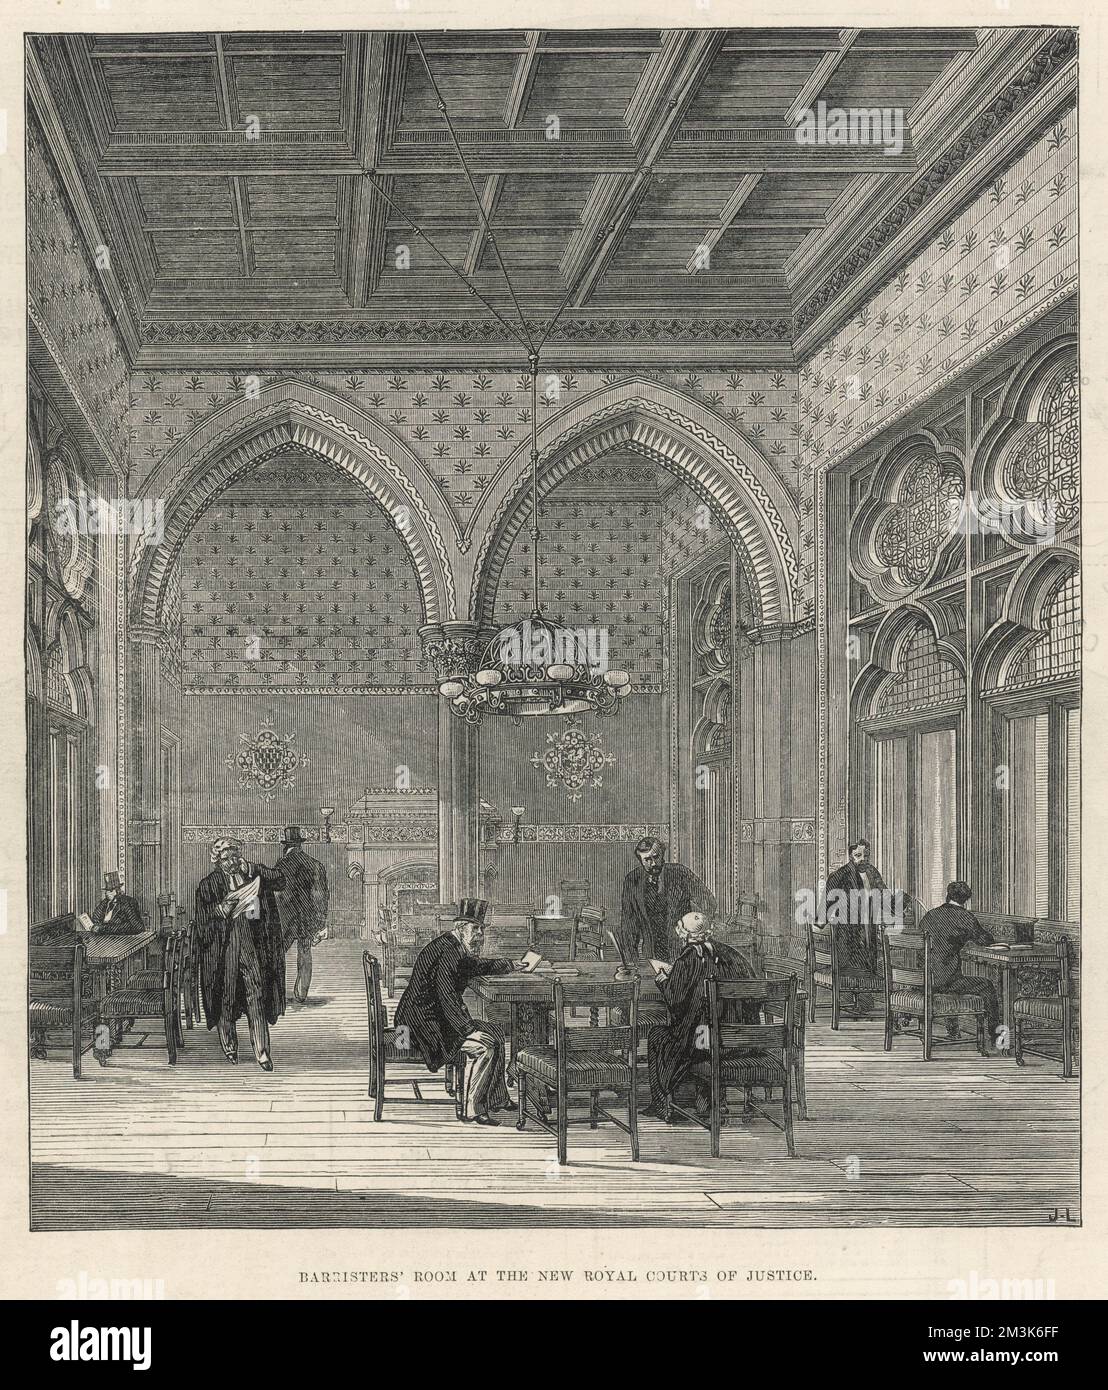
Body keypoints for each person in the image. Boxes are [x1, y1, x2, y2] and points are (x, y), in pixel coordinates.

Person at [394, 899, 518, 1125]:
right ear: (461, 928)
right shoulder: (449, 952)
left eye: (482, 929)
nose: (480, 934)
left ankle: (497, 1098)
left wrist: (510, 965)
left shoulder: (454, 946)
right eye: (475, 929)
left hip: (430, 1018)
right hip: (417, 1028)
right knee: (485, 1046)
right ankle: (474, 1108)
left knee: (496, 1033)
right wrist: (468, 1030)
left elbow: (476, 966)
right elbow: (446, 997)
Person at [645, 911, 759, 1123]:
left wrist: (662, 980)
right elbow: (755, 995)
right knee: (700, 1027)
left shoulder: (687, 958)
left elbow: (675, 1000)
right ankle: (705, 1103)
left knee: (658, 1036)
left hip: (706, 1043)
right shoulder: (732, 954)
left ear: (682, 933)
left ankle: (667, 1107)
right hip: (742, 1042)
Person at [195, 838, 287, 1071]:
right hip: (224, 949)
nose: (231, 862)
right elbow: (202, 921)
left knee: (256, 995)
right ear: (217, 861)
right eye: (225, 859)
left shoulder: (252, 875)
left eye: (234, 857)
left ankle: (262, 1053)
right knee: (225, 997)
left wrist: (253, 869)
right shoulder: (208, 885)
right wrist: (219, 910)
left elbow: (280, 880)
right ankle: (229, 1047)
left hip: (252, 946)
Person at [918, 881, 1001, 1042]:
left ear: (947, 896)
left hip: (924, 979)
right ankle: (995, 1035)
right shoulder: (965, 916)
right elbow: (985, 939)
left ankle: (953, 1030)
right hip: (946, 982)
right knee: (987, 986)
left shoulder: (930, 915)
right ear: (966, 900)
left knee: (950, 972)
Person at [618, 836, 715, 963]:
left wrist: (699, 930)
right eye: (647, 859)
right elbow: (628, 925)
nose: (653, 863)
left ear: (662, 854)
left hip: (683, 951)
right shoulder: (632, 880)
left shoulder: (680, 873)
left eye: (656, 857)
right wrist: (630, 961)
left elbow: (708, 902)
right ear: (640, 860)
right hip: (652, 953)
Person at [276, 827, 329, 1004]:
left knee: (278, 953)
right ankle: (301, 993)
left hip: (285, 918)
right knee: (305, 953)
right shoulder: (314, 864)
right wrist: (321, 920)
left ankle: (277, 993)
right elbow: (320, 895)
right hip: (307, 917)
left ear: (287, 845)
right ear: (300, 844)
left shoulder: (281, 865)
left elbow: (276, 894)